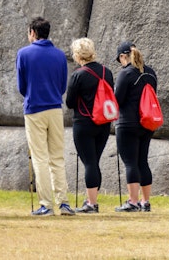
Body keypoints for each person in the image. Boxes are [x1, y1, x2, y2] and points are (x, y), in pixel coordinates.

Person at [16, 16, 74, 216]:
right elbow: (62, 86)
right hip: (55, 108)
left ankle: (46, 204)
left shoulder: (23, 54)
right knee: (57, 157)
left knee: (40, 158)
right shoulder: (59, 55)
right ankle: (63, 202)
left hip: (34, 108)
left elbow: (21, 86)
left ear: (32, 32)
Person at [65, 37, 114, 214]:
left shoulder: (78, 75)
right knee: (94, 161)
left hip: (84, 122)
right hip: (104, 122)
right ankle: (91, 199)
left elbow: (70, 102)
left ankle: (92, 204)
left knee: (90, 163)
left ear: (78, 55)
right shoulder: (107, 72)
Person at [113, 41, 158, 213]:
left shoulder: (125, 74)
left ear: (123, 56)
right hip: (147, 122)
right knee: (142, 161)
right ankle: (145, 202)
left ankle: (132, 201)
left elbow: (117, 100)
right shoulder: (151, 73)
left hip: (127, 123)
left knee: (130, 163)